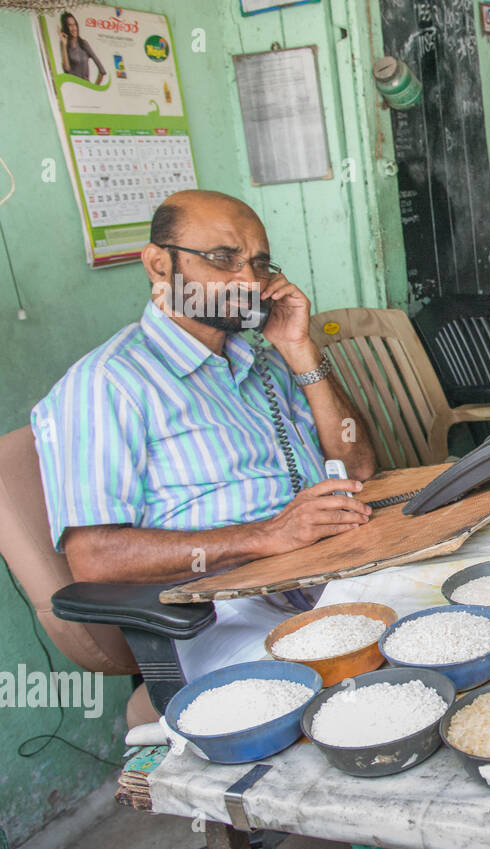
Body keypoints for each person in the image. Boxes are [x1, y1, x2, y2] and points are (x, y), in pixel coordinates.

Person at [31, 190, 379, 683]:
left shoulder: (258, 358)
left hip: (328, 577)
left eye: (259, 264)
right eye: (222, 260)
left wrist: (300, 349)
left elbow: (359, 464)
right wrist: (268, 536)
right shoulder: (108, 382)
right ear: (158, 264)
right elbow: (94, 557)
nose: (248, 281)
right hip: (228, 617)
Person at [59, 12, 106, 85]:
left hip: (85, 88)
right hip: (73, 88)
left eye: (74, 24)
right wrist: (64, 45)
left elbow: (102, 70)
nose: (74, 28)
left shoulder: (84, 44)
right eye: (70, 25)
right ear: (65, 28)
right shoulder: (65, 45)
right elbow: (67, 69)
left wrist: (94, 88)